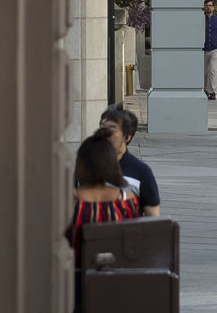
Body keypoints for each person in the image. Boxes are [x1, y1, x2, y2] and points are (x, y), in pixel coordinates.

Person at [67, 127, 142, 311]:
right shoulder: (128, 203)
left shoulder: (70, 201)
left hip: (75, 283)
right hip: (118, 283)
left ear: (81, 165)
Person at [99, 105, 160, 215]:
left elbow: (153, 219)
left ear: (127, 137)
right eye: (102, 128)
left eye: (111, 130)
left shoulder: (141, 172)